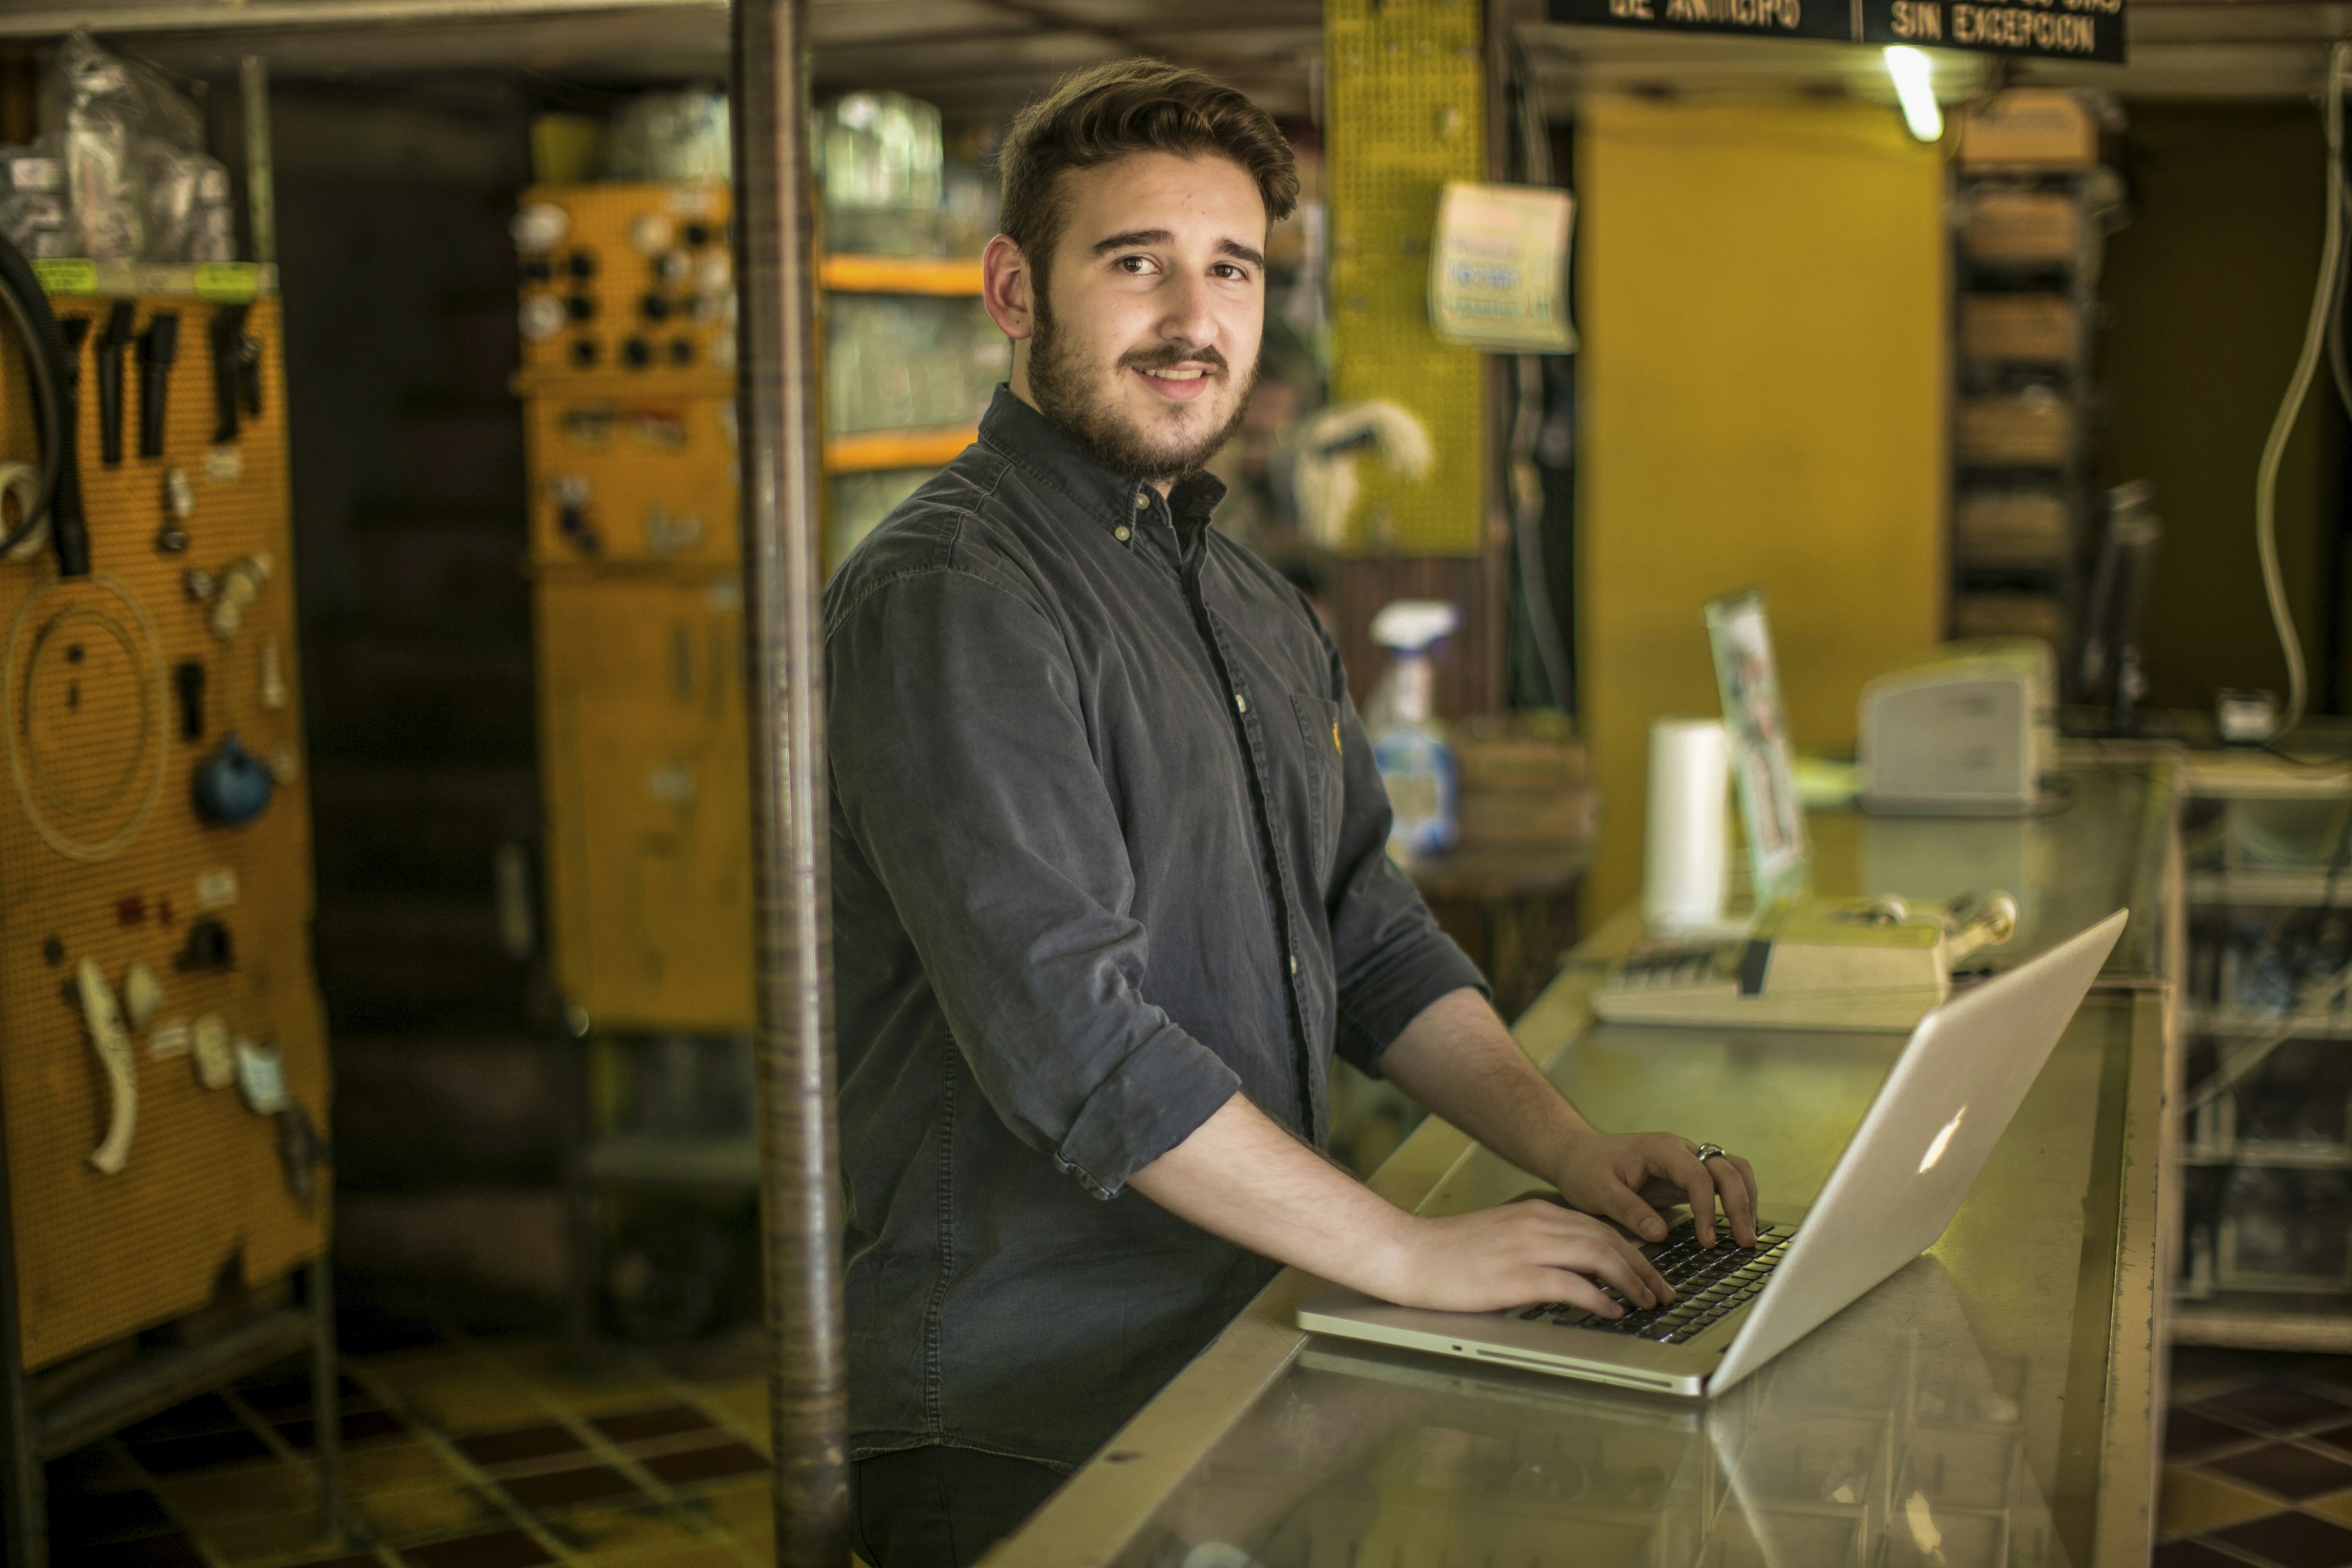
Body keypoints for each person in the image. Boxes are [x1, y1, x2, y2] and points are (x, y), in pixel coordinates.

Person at [823, 59, 1759, 1568]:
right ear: (1014, 286)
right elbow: (1073, 1040)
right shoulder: (955, 597)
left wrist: (1568, 1149)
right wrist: (1406, 1249)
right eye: (1138, 264)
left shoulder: (1248, 597)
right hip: (1021, 1406)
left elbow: (1370, 935)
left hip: (1237, 1331)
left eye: (1233, 268)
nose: (1196, 321)